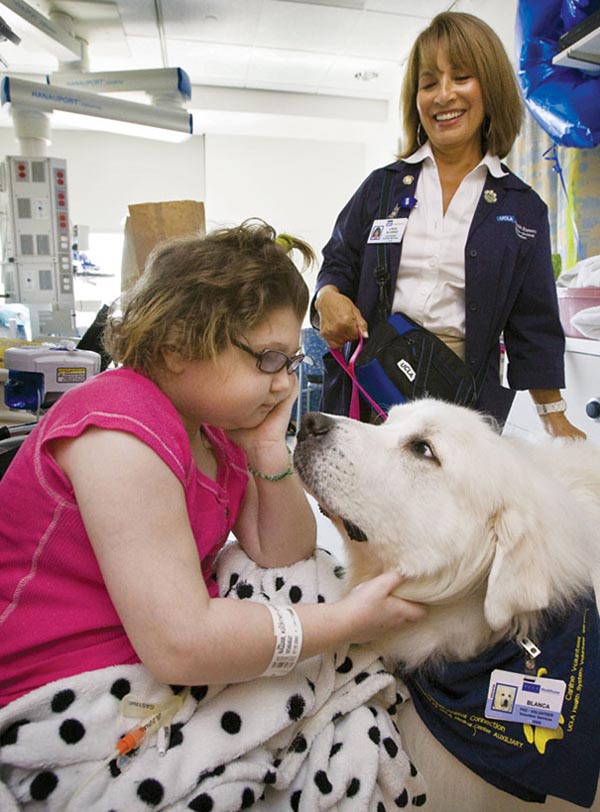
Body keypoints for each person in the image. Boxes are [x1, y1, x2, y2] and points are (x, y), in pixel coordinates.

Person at [0, 219, 424, 708]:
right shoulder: (120, 432)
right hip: (59, 683)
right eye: (268, 359)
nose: (285, 383)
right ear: (180, 346)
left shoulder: (213, 432)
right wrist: (349, 621)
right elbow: (181, 645)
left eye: (290, 364)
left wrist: (267, 447)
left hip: (140, 653)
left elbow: (285, 549)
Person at [313, 11, 585, 439]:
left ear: (490, 87)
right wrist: (327, 297)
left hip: (461, 403)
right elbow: (338, 262)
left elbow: (532, 325)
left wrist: (554, 415)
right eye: (428, 83)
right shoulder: (381, 188)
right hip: (373, 391)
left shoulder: (522, 208)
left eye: (461, 77)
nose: (443, 95)